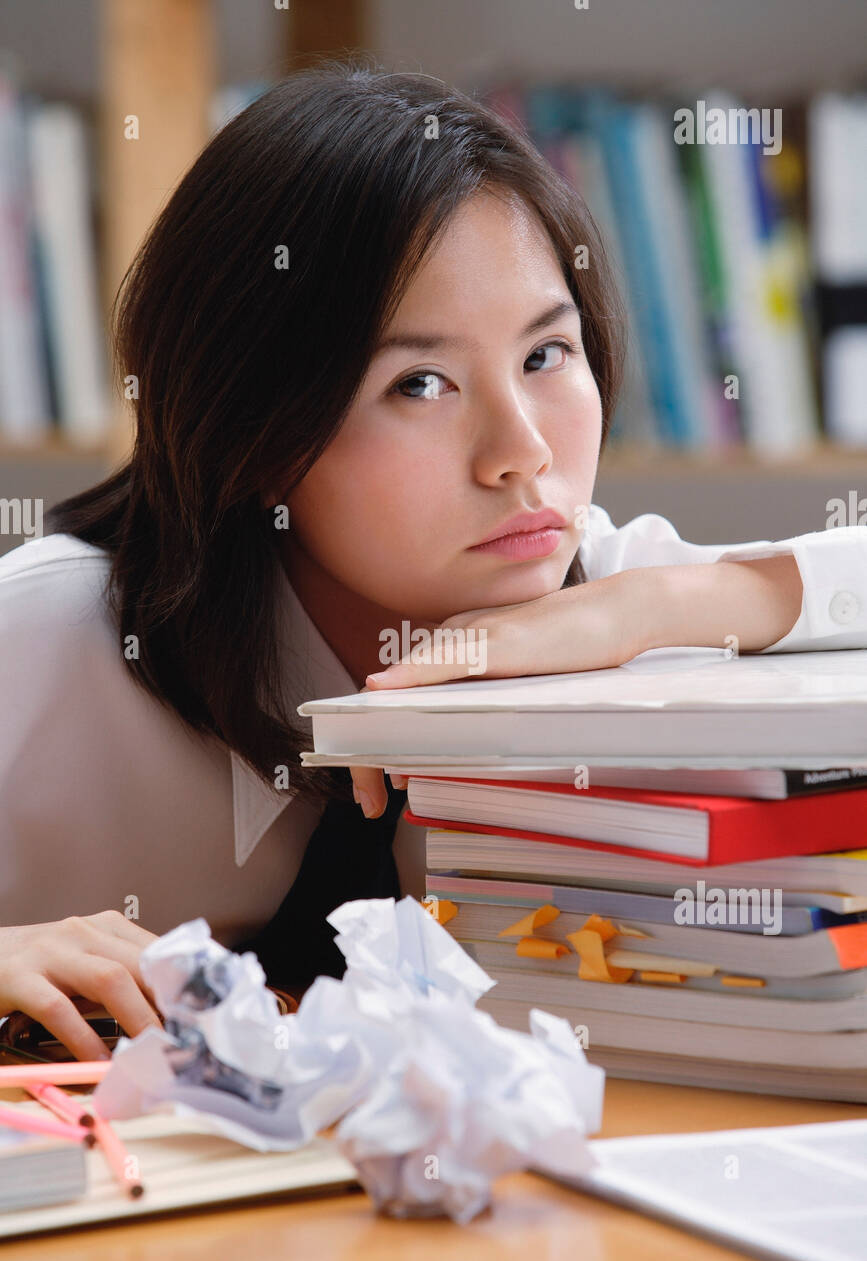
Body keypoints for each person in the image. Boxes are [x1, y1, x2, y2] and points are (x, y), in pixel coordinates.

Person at [1, 63, 865, 1060]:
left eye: (546, 355)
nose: (521, 451)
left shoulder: (607, 595)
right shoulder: (51, 641)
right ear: (260, 429)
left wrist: (656, 605)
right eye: (420, 383)